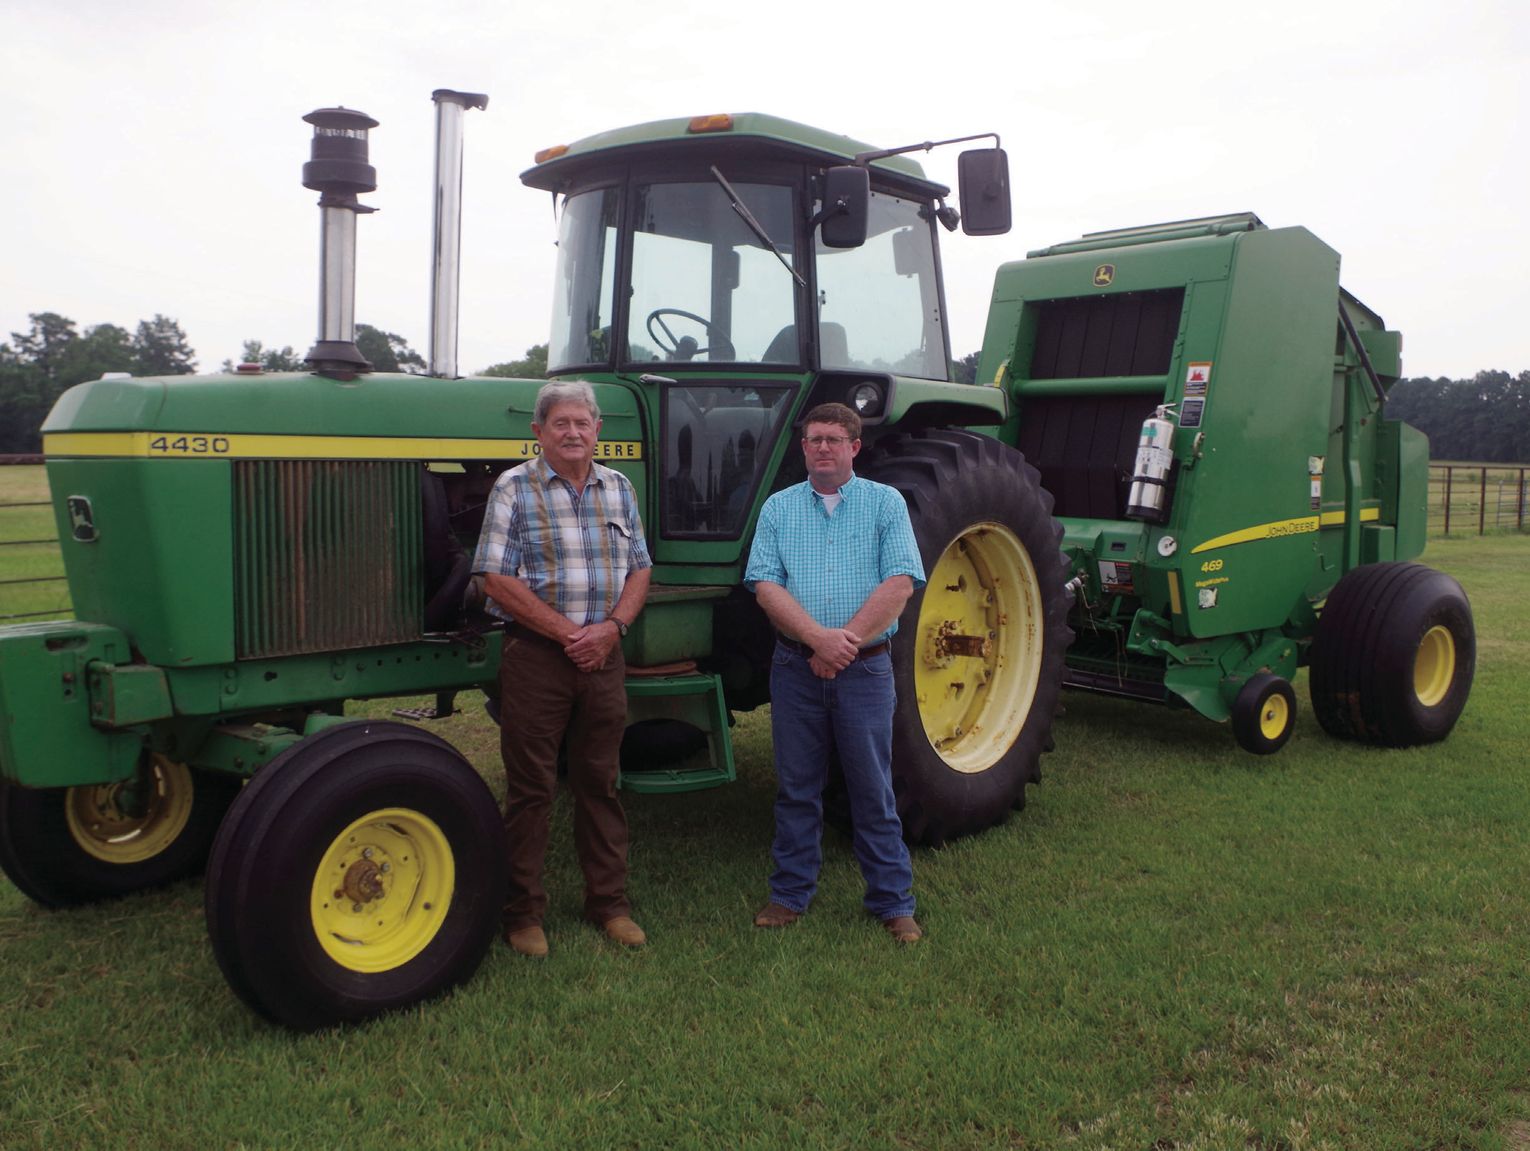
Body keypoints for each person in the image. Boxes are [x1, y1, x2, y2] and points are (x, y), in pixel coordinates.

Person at [472, 379, 652, 958]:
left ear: (598, 430)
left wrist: (612, 630)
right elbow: (493, 578)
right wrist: (570, 634)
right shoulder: (514, 488)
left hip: (603, 658)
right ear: (538, 433)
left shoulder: (618, 488)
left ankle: (609, 904)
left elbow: (640, 569)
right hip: (538, 661)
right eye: (560, 424)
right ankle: (522, 913)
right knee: (531, 789)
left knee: (601, 783)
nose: (573, 433)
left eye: (583, 423)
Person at [743, 402, 927, 943]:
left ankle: (893, 901)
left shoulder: (885, 504)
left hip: (864, 672)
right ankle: (789, 895)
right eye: (814, 439)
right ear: (803, 448)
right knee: (797, 788)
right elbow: (764, 584)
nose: (822, 447)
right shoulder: (778, 508)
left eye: (833, 439)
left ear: (854, 447)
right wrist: (816, 640)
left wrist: (840, 644)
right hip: (795, 668)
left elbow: (900, 582)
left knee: (873, 788)